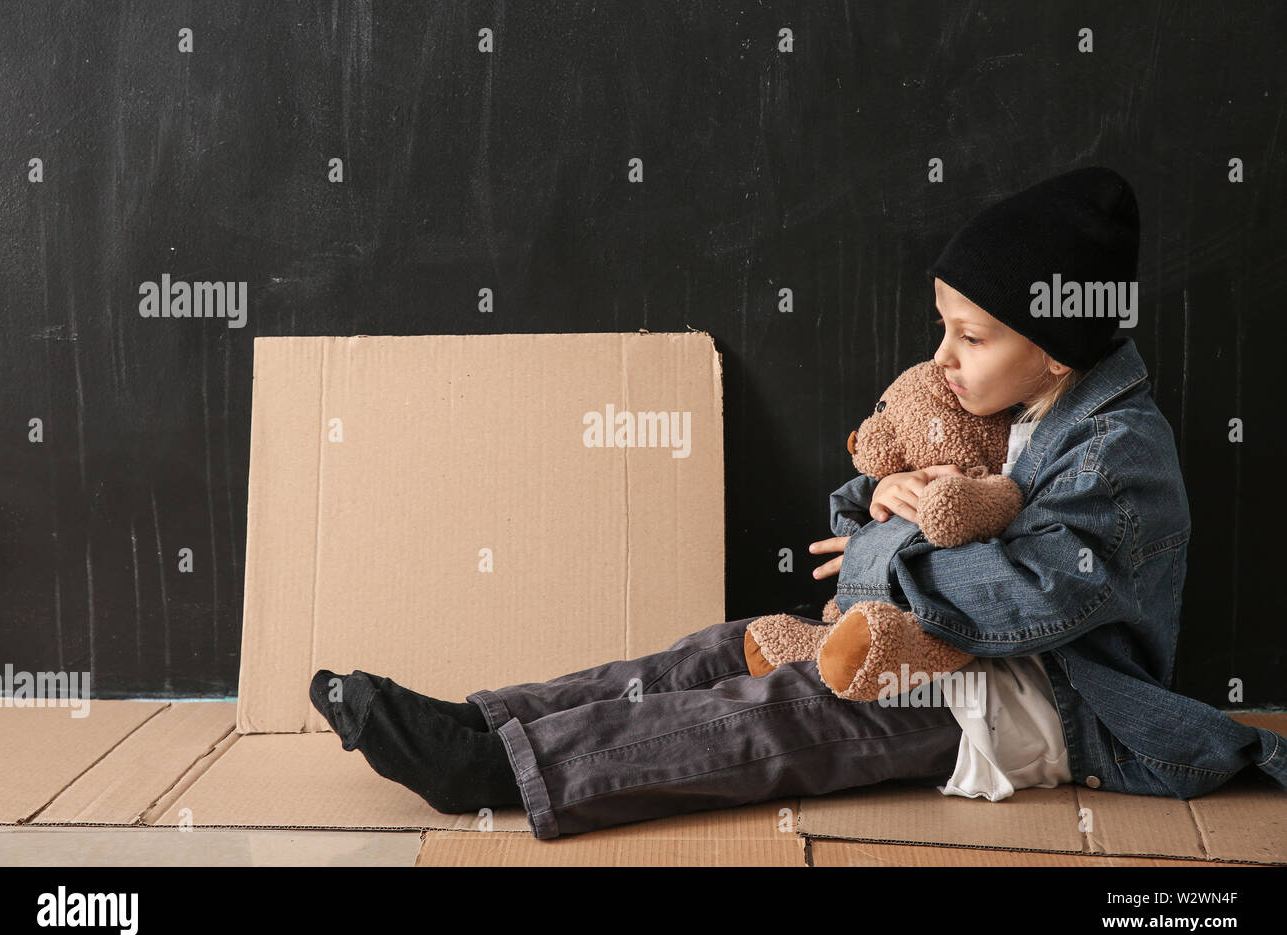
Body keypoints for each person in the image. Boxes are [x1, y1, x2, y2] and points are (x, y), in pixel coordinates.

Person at [309, 167, 1287, 840]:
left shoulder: (1123, 456)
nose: (941, 359)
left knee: (786, 710)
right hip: (924, 635)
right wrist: (880, 494)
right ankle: (487, 721)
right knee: (723, 646)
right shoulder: (1010, 400)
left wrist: (879, 544)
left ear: (1056, 345)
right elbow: (867, 506)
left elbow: (1016, 600)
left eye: (969, 336)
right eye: (939, 327)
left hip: (1041, 704)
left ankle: (502, 775)